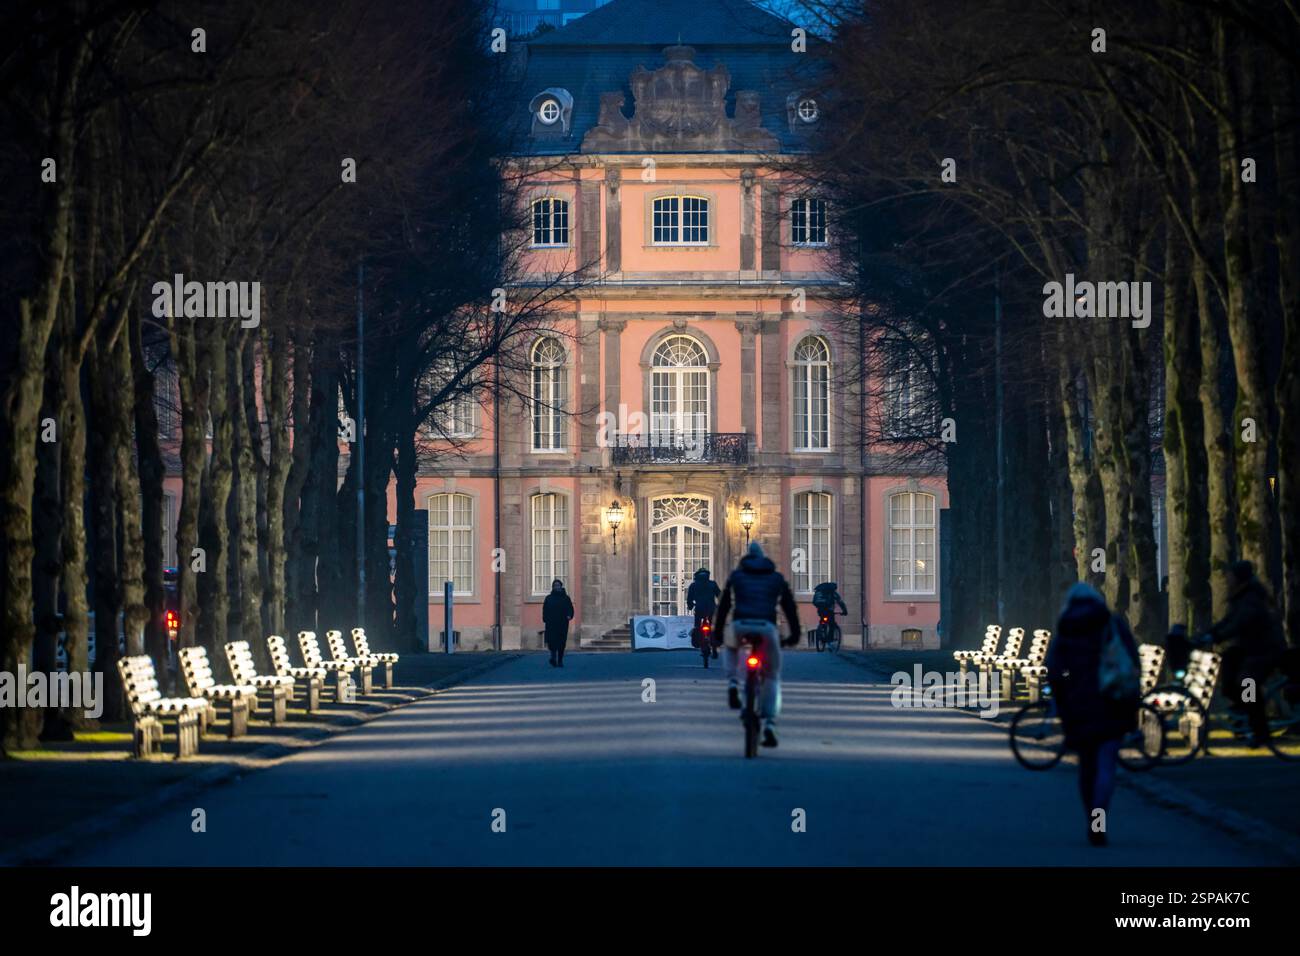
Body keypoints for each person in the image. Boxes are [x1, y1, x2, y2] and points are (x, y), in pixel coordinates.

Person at [1046, 582, 1140, 847]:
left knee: (1087, 767)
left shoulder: (1066, 627)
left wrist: (1062, 700)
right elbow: (1132, 662)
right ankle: (1100, 820)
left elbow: (1054, 669)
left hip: (1079, 706)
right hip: (1112, 701)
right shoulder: (1112, 624)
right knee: (1107, 764)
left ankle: (1092, 819)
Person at [713, 541, 802, 748]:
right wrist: (793, 635)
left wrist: (718, 633)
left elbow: (725, 605)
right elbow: (789, 608)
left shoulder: (736, 576)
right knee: (772, 676)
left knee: (731, 646)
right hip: (767, 628)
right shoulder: (777, 578)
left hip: (740, 624)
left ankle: (733, 682)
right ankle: (770, 723)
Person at [1207, 560, 1286, 746]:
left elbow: (1240, 623)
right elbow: (1229, 620)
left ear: (1238, 578)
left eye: (1230, 576)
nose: (1227, 579)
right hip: (1251, 649)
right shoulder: (1240, 597)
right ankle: (1243, 708)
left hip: (1264, 651)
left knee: (1248, 682)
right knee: (1229, 672)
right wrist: (1210, 634)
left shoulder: (1251, 598)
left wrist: (1220, 635)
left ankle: (1260, 730)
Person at [686, 567, 722, 660]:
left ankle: (699, 642)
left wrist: (690, 606)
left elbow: (689, 598)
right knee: (714, 627)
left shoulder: (693, 585)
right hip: (711, 608)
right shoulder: (712, 584)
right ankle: (714, 647)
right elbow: (719, 595)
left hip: (699, 609)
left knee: (697, 626)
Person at [542, 579, 575, 667]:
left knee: (561, 642)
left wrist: (569, 615)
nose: (557, 587)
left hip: (562, 623)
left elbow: (570, 608)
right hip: (551, 623)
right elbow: (545, 609)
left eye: (558, 585)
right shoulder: (548, 598)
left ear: (561, 586)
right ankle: (553, 658)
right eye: (555, 585)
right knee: (552, 641)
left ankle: (560, 660)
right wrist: (545, 619)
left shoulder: (566, 598)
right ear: (553, 587)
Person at [811, 581, 848, 646]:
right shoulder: (833, 593)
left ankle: (821, 629)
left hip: (820, 609)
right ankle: (829, 639)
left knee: (823, 619)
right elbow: (840, 602)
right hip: (828, 610)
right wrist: (845, 611)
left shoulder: (819, 591)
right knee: (832, 624)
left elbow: (814, 602)